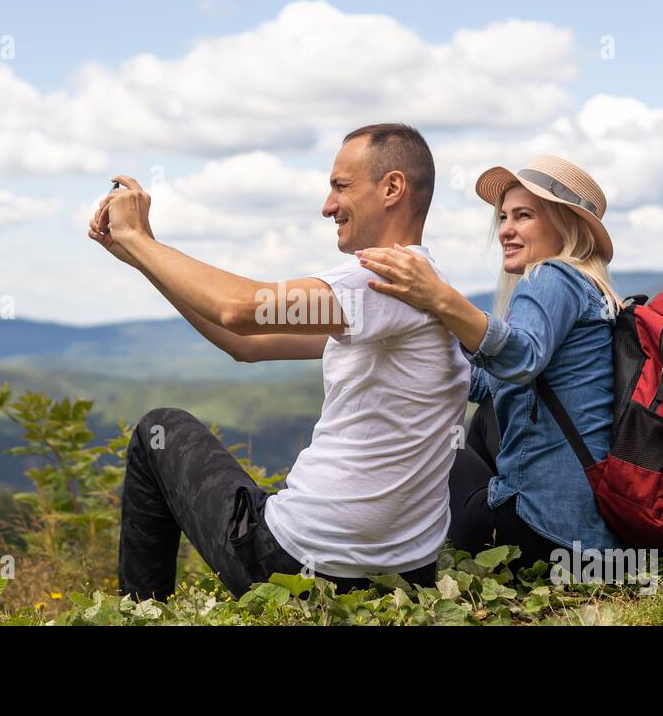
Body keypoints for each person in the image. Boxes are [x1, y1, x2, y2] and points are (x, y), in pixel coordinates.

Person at [87, 123, 469, 600]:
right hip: (405, 571)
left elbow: (242, 309)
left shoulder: (378, 282)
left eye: (340, 186)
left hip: (299, 563)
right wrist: (142, 257)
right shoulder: (420, 290)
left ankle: (139, 611)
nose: (328, 206)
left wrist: (142, 239)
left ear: (392, 187)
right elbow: (246, 342)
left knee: (157, 430)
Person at [355, 154, 627, 569]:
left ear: (565, 224)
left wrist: (441, 299)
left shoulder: (553, 276)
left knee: (436, 444)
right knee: (485, 417)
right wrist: (418, 343)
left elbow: (521, 357)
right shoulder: (592, 291)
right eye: (503, 217)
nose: (506, 230)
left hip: (543, 537)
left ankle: (375, 548)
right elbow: (489, 383)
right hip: (588, 540)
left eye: (523, 216)